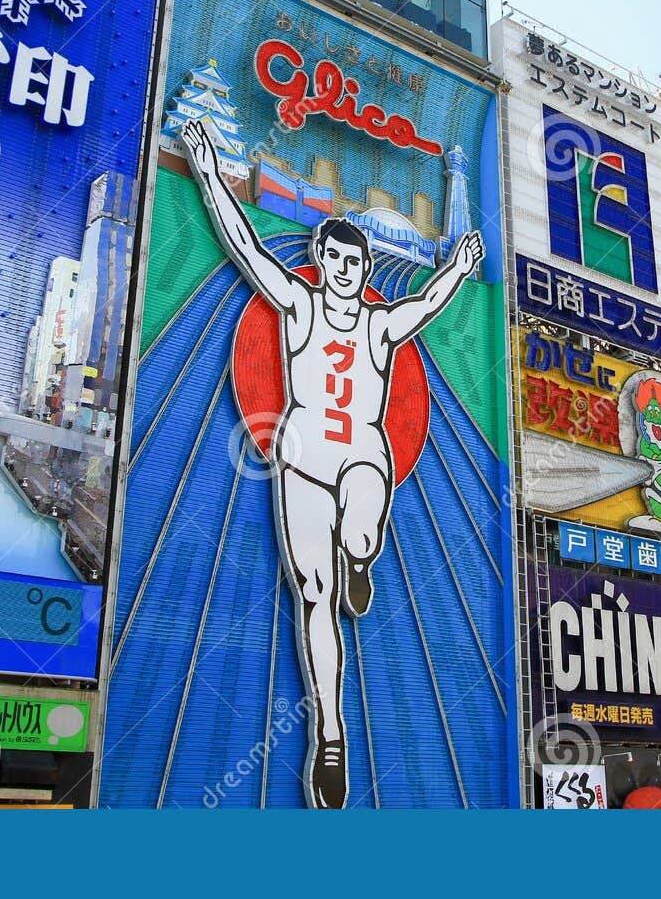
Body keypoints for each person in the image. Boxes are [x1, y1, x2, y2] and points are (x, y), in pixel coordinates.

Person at [181, 119, 483, 809]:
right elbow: (247, 246)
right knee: (315, 598)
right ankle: (330, 731)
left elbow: (424, 304)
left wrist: (460, 269)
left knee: (363, 523)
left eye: (355, 262)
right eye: (336, 258)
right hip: (303, 460)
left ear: (366, 269)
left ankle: (360, 555)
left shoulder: (378, 326)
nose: (345, 270)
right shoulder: (298, 305)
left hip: (362, 454)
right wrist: (207, 170)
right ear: (321, 258)